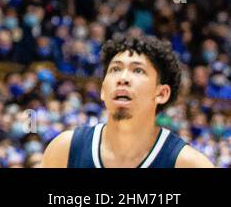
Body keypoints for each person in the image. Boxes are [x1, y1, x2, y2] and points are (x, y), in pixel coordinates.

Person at [41, 33, 213, 168]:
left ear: (161, 93)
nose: (122, 78)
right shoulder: (65, 149)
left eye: (138, 70)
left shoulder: (189, 163)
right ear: (103, 90)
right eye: (115, 69)